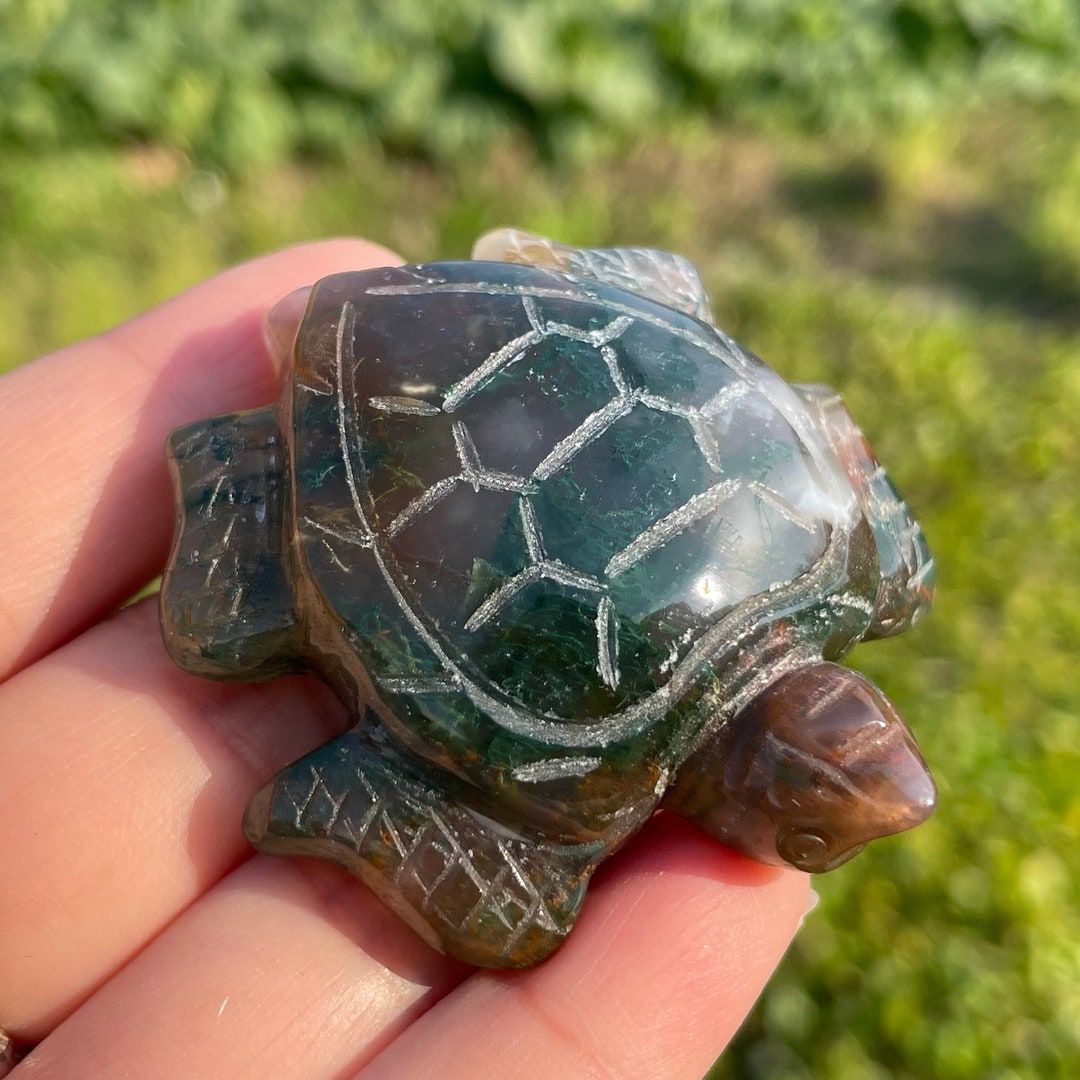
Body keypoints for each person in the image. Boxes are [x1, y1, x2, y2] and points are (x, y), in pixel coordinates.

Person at [0, 240, 810, 1079]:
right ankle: (247, 470)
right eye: (807, 838)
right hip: (408, 435)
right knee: (231, 627)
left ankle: (589, 292)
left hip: (563, 341)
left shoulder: (844, 554)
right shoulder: (585, 787)